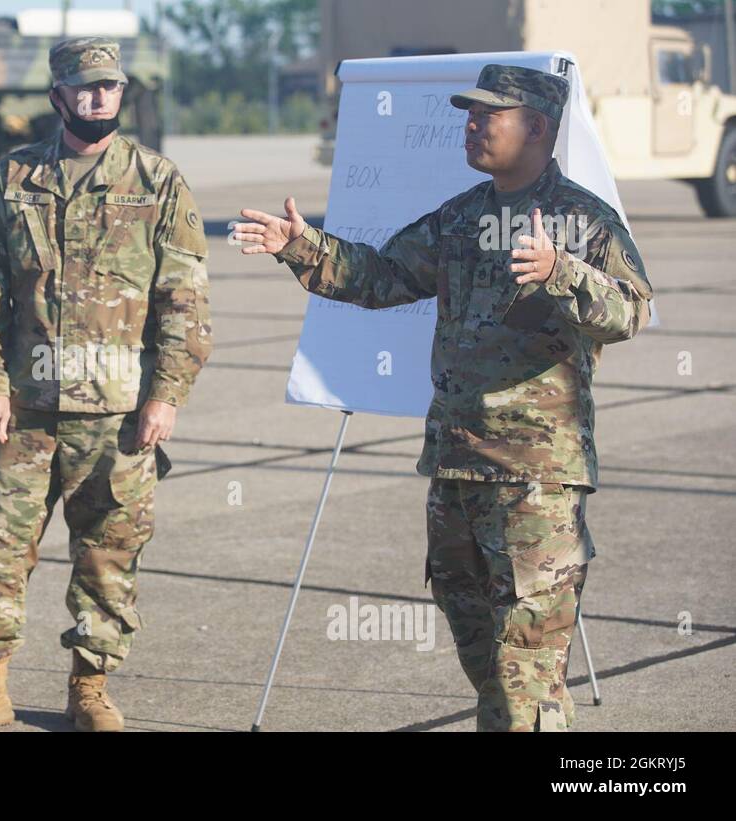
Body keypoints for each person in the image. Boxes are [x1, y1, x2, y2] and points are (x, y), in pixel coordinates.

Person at [234, 65, 652, 731]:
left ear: (538, 127)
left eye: (490, 114)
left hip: (533, 481)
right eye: (469, 112)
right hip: (455, 468)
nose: (473, 124)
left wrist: (560, 272)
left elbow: (631, 310)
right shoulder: (463, 217)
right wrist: (303, 247)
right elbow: (385, 275)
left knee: (526, 678)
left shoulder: (582, 220)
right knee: (485, 662)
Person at [0, 37, 213, 732]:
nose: (98, 98)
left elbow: (184, 300)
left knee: (108, 552)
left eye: (110, 87)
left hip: (116, 413)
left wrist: (166, 394)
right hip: (25, 409)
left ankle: (90, 685)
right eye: (85, 87)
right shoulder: (15, 176)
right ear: (57, 96)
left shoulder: (158, 181)